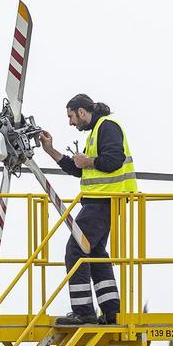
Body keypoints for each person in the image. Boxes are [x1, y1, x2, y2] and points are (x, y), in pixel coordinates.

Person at [40, 93, 136, 326]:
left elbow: (113, 160)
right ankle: (111, 311)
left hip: (102, 202)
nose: (71, 123)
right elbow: (80, 170)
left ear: (82, 112)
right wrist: (51, 151)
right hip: (102, 202)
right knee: (95, 254)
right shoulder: (96, 132)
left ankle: (84, 311)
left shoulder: (107, 127)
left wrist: (88, 161)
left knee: (75, 250)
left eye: (72, 117)